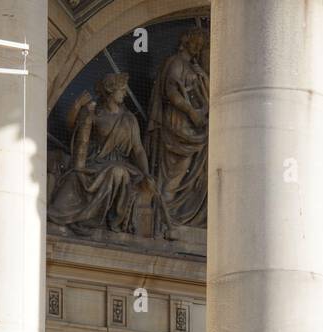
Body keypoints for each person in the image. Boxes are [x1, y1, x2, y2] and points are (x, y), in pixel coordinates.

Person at [49, 73, 167, 237]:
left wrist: (146, 173)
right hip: (96, 163)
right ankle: (82, 216)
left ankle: (106, 218)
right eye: (122, 90)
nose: (125, 93)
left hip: (123, 165)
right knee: (87, 176)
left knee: (118, 172)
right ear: (111, 90)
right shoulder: (95, 114)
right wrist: (76, 105)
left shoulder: (130, 119)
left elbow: (138, 150)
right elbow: (73, 128)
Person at [148, 27, 209, 228]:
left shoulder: (193, 67)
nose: (198, 48)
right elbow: (171, 91)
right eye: (197, 43)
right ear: (187, 41)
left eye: (201, 45)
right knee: (174, 172)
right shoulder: (176, 62)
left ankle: (173, 213)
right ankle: (164, 217)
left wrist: (202, 76)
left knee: (183, 171)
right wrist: (191, 112)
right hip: (179, 124)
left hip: (195, 125)